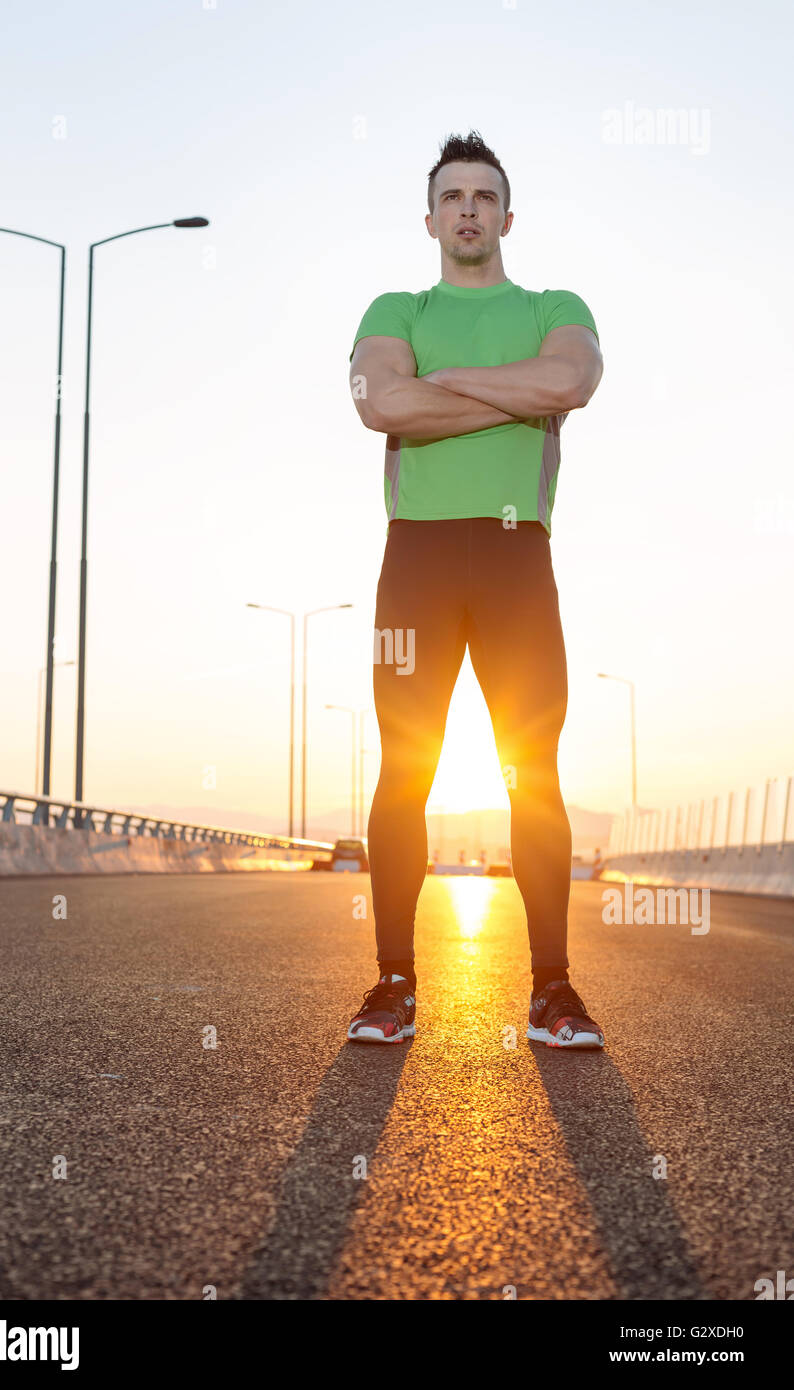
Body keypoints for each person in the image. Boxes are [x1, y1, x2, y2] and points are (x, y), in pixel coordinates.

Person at [346, 130, 605, 1049]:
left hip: (516, 564)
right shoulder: (394, 308)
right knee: (403, 771)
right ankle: (392, 984)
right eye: (452, 195)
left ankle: (553, 990)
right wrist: (514, 395)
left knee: (533, 773)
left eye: (483, 196)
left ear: (505, 215)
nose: (467, 208)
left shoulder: (555, 306)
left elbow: (571, 379)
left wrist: (444, 385)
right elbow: (381, 402)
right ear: (429, 218)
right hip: (412, 566)